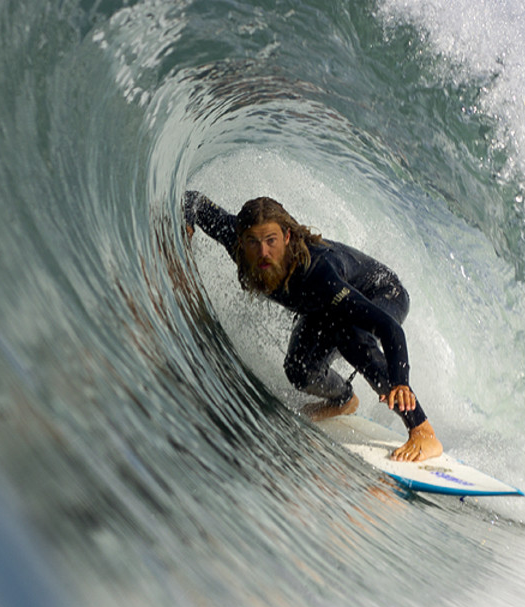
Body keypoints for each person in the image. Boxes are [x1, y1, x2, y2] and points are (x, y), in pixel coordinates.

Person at [182, 191, 443, 462]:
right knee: (299, 371)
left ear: (287, 237)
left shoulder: (318, 273)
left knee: (352, 336)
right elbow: (194, 201)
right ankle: (342, 400)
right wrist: (186, 229)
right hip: (324, 307)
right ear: (241, 239)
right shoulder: (240, 244)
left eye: (271, 241)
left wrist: (401, 382)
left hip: (381, 292)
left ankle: (422, 429)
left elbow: (389, 327)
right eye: (254, 242)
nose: (263, 252)